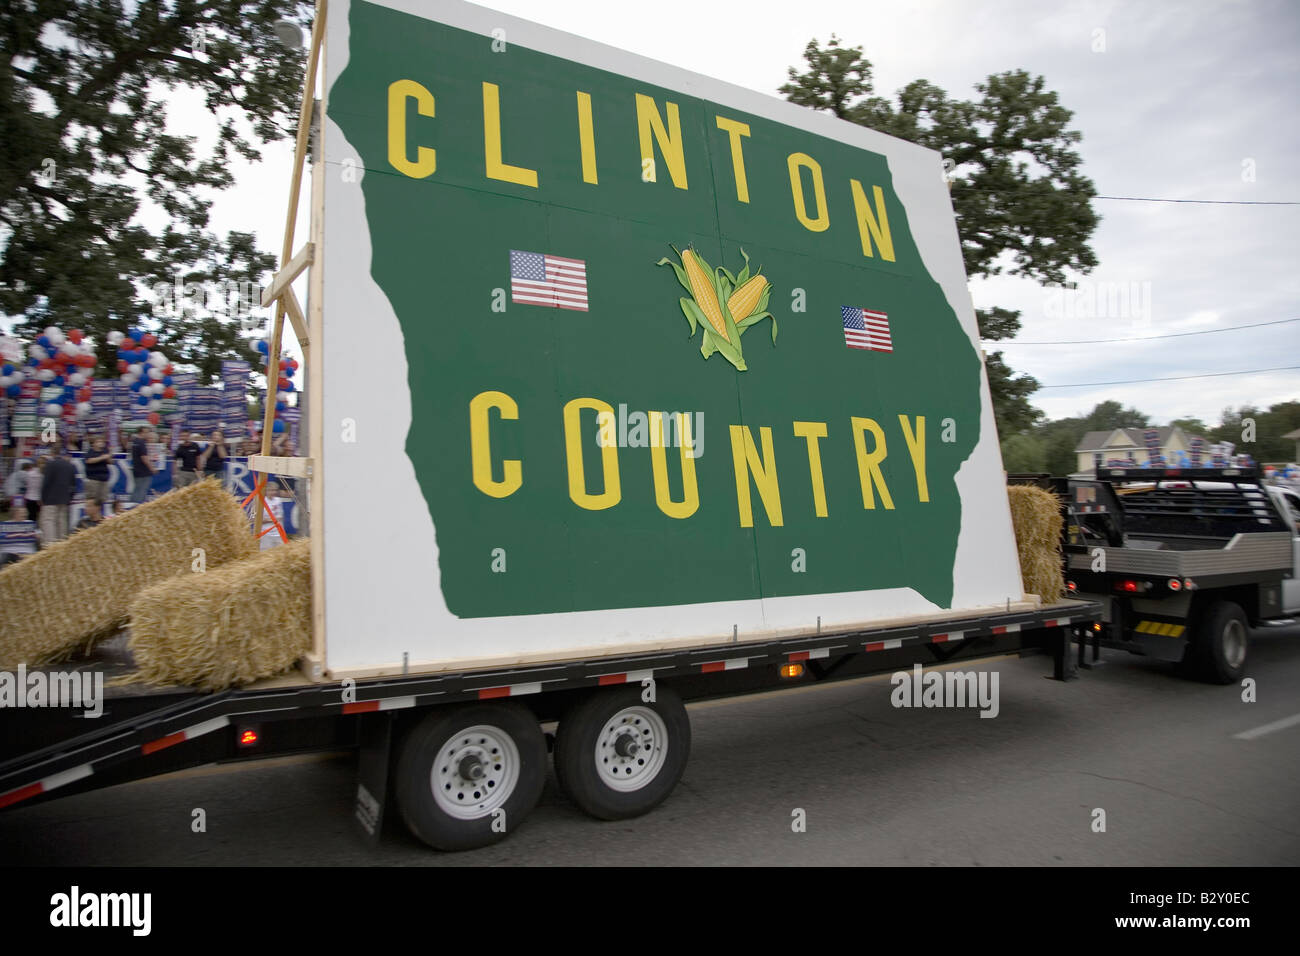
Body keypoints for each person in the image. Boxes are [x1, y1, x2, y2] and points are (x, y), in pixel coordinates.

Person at [40, 445, 77, 545]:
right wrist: (69, 499)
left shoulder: (50, 464)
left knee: (49, 521)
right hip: (64, 500)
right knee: (62, 523)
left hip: (50, 500)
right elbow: (73, 485)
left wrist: (43, 498)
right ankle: (62, 546)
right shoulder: (70, 466)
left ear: (52, 453)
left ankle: (50, 546)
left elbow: (46, 483)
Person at [84, 436, 112, 513]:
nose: (101, 443)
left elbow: (111, 462)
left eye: (102, 442)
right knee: (92, 500)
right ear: (94, 443)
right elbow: (89, 461)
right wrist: (102, 458)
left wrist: (109, 455)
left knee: (103, 500)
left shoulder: (105, 451)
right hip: (93, 480)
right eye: (98, 442)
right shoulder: (91, 451)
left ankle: (101, 516)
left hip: (104, 480)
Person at [130, 426, 157, 505]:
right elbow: (144, 458)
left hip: (136, 470)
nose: (148, 434)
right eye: (147, 432)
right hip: (143, 472)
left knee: (137, 489)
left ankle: (131, 506)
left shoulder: (134, 442)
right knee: (141, 491)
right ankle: (136, 507)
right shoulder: (141, 443)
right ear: (142, 432)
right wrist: (152, 468)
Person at [24, 459, 44, 523]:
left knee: (31, 515)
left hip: (29, 497)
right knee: (39, 516)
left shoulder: (29, 473)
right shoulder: (42, 475)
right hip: (38, 499)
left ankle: (31, 528)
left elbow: (26, 485)